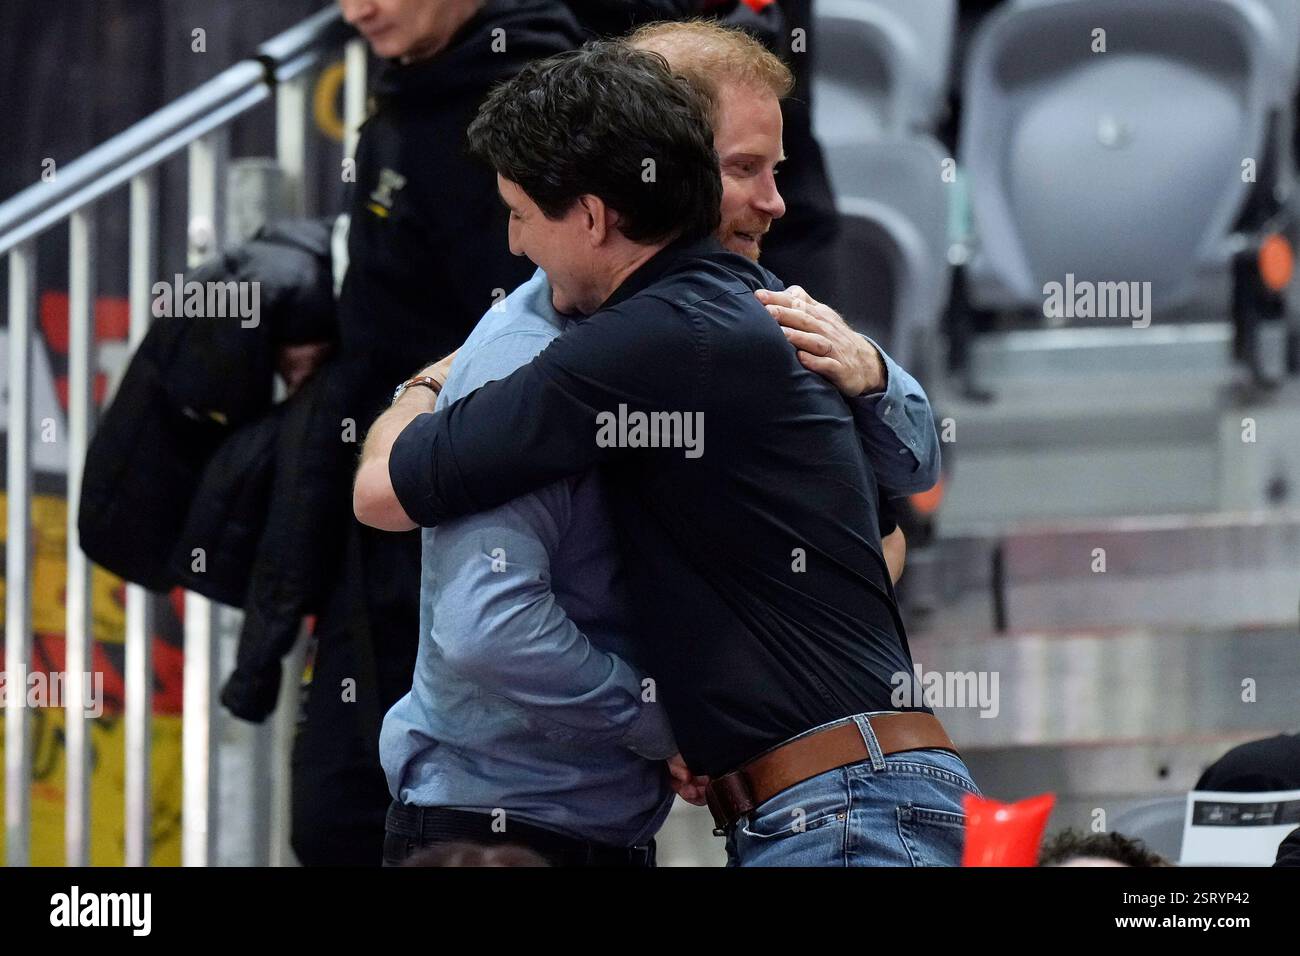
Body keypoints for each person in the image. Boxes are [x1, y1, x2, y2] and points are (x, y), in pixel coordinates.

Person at [356, 40, 976, 867]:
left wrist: (424, 390)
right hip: (837, 799)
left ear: (596, 209)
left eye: (521, 212)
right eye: (745, 167)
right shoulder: (731, 316)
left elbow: (395, 486)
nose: (512, 245)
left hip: (842, 807)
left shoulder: (658, 333)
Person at [285, 0, 584, 866]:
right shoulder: (415, 81)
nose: (356, 8)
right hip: (391, 524)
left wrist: (414, 411)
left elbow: (546, 344)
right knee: (339, 821)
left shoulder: (532, 110)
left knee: (373, 824)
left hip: (468, 536)